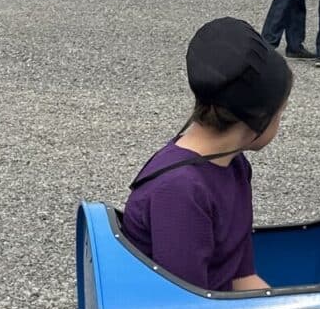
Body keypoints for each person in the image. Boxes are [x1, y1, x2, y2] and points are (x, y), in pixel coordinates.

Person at [123, 17, 293, 293]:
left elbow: (240, 276)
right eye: (279, 114)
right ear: (257, 120)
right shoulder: (180, 190)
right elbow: (185, 306)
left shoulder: (234, 165)